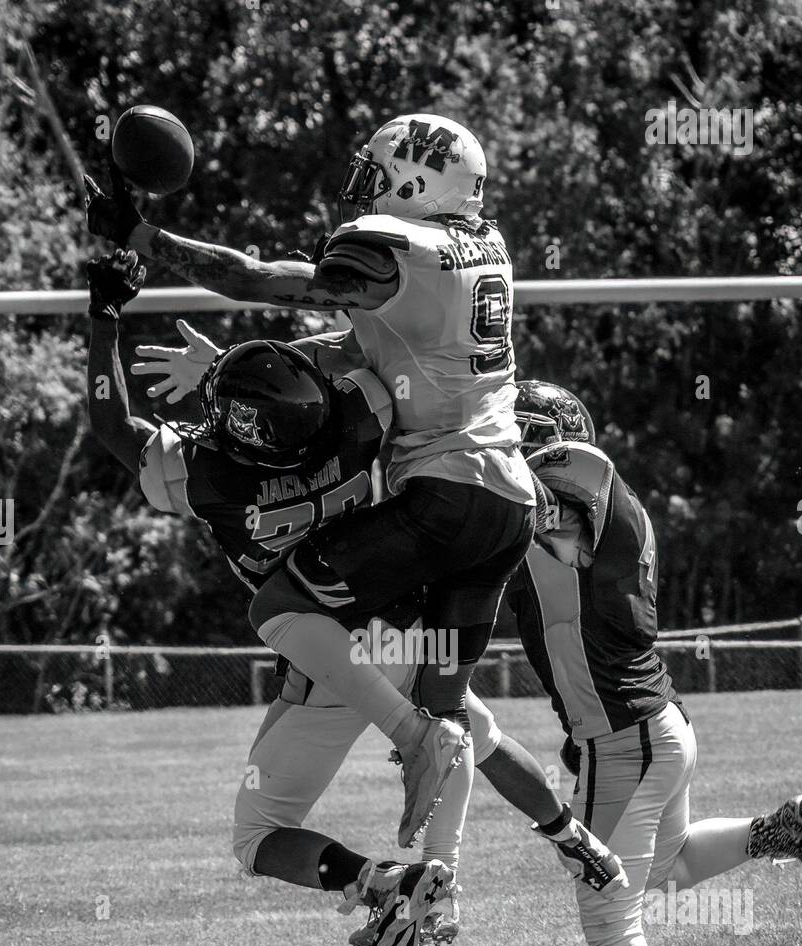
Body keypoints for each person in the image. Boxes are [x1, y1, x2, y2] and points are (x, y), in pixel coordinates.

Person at [84, 251, 625, 946]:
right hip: (404, 620)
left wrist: (107, 311)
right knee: (470, 730)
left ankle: (382, 881)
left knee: (258, 835)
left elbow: (110, 420)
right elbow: (358, 344)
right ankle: (502, 857)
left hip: (330, 649)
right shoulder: (362, 418)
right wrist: (239, 370)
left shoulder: (201, 474)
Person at [85, 112, 536, 852]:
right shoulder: (480, 243)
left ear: (414, 182)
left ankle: (407, 739)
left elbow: (259, 279)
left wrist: (147, 240)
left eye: (377, 171)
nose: (361, 184)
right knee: (447, 708)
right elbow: (355, 344)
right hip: (508, 504)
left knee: (282, 604)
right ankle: (441, 879)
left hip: (444, 492)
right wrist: (232, 360)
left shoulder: (392, 245)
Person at [511, 380, 802, 946]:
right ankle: (782, 832)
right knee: (663, 869)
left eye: (518, 430)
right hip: (646, 729)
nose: (503, 441)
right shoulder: (567, 515)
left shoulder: (581, 489)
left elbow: (539, 485)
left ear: (556, 436)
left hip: (628, 734)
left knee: (606, 911)